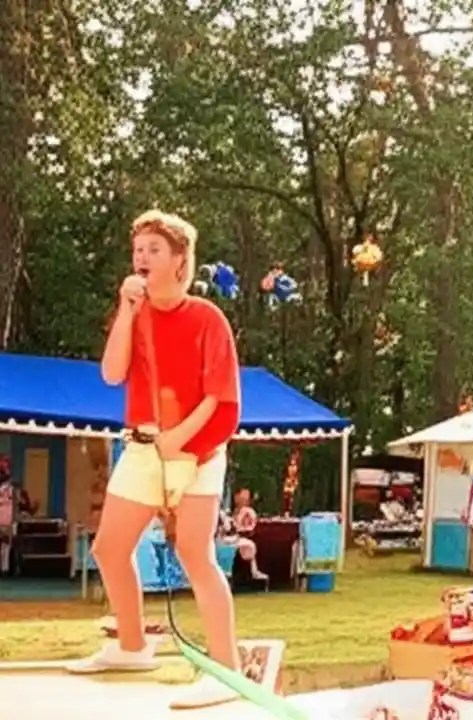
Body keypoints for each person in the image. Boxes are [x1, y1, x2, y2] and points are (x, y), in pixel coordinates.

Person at [69, 210, 245, 711]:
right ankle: (131, 646)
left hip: (200, 448)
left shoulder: (208, 317)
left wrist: (182, 441)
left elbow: (220, 399)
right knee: (109, 547)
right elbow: (111, 373)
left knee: (195, 553)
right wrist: (125, 310)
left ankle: (225, 670)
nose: (142, 258)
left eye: (154, 250)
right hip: (144, 447)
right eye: (138, 250)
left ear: (180, 260)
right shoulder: (137, 312)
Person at [231, 488, 269, 582]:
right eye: (242, 496)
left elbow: (247, 529)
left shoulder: (247, 511)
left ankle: (253, 571)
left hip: (241, 539)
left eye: (246, 497)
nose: (244, 499)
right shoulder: (234, 511)